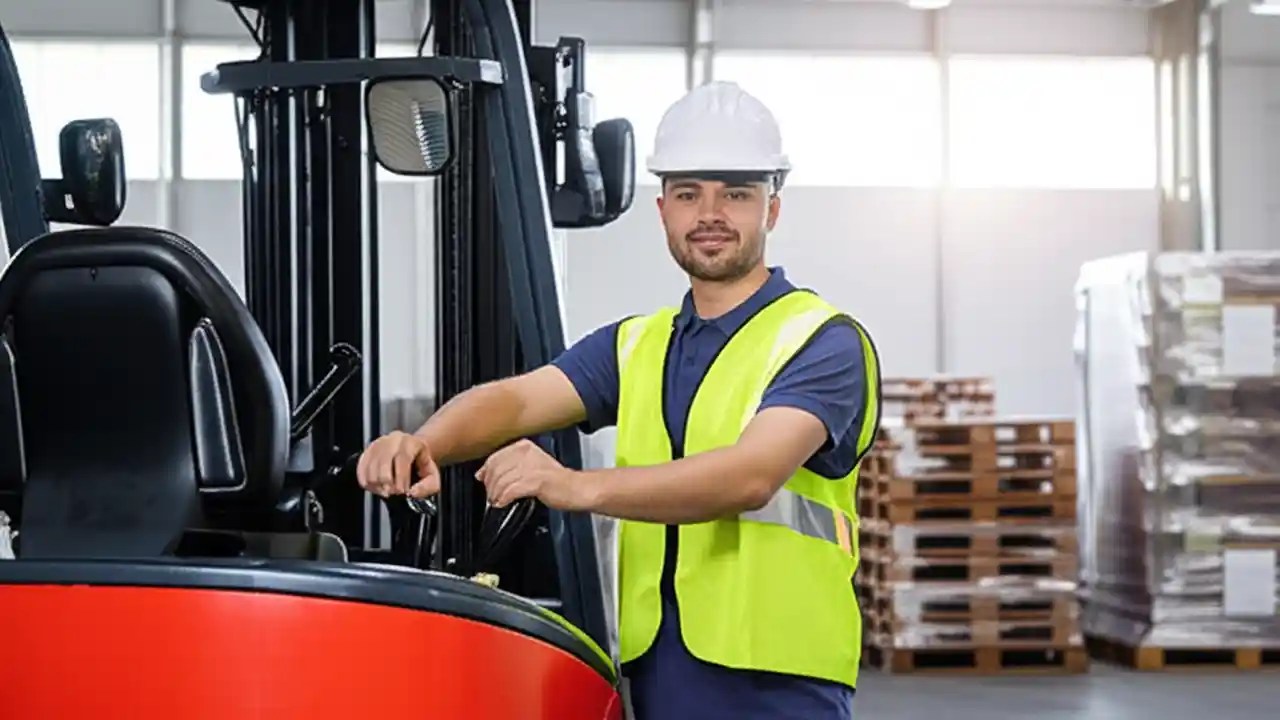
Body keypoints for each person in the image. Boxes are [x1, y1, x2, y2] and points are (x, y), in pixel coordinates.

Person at [356, 80, 880, 720]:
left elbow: (750, 476)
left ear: (771, 209)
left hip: (778, 684)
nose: (709, 214)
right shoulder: (637, 345)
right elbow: (517, 402)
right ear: (663, 210)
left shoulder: (821, 341)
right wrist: (423, 443)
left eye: (735, 195)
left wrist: (571, 486)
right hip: (658, 670)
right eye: (689, 195)